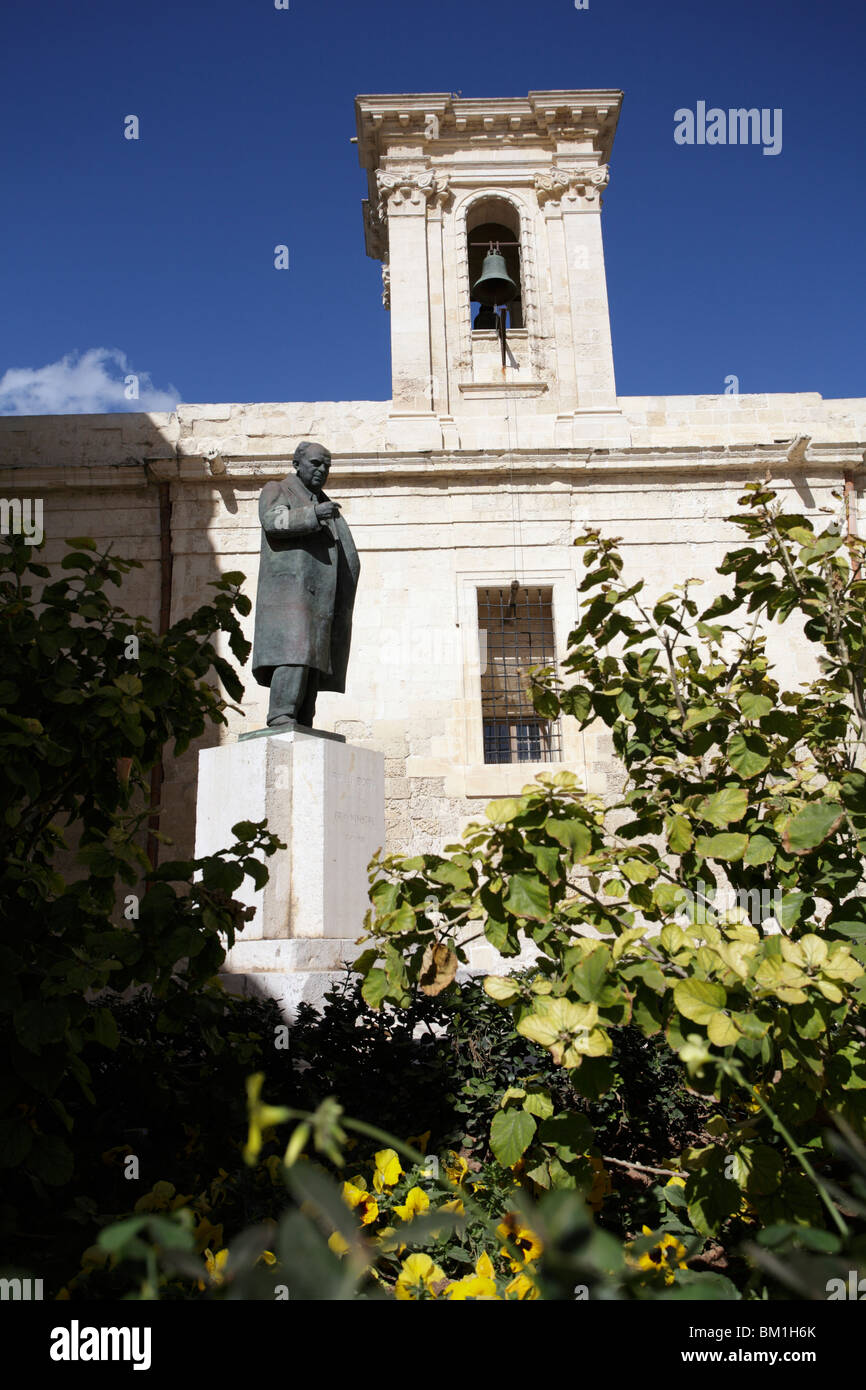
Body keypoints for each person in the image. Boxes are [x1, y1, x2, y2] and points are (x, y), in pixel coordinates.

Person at [251, 440, 360, 728]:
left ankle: (303, 718)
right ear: (297, 464)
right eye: (316, 463)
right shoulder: (278, 489)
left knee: (313, 659)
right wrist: (313, 515)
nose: (322, 470)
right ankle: (280, 714)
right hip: (291, 596)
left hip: (320, 600)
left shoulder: (324, 502)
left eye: (327, 465)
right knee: (293, 653)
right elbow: (274, 521)